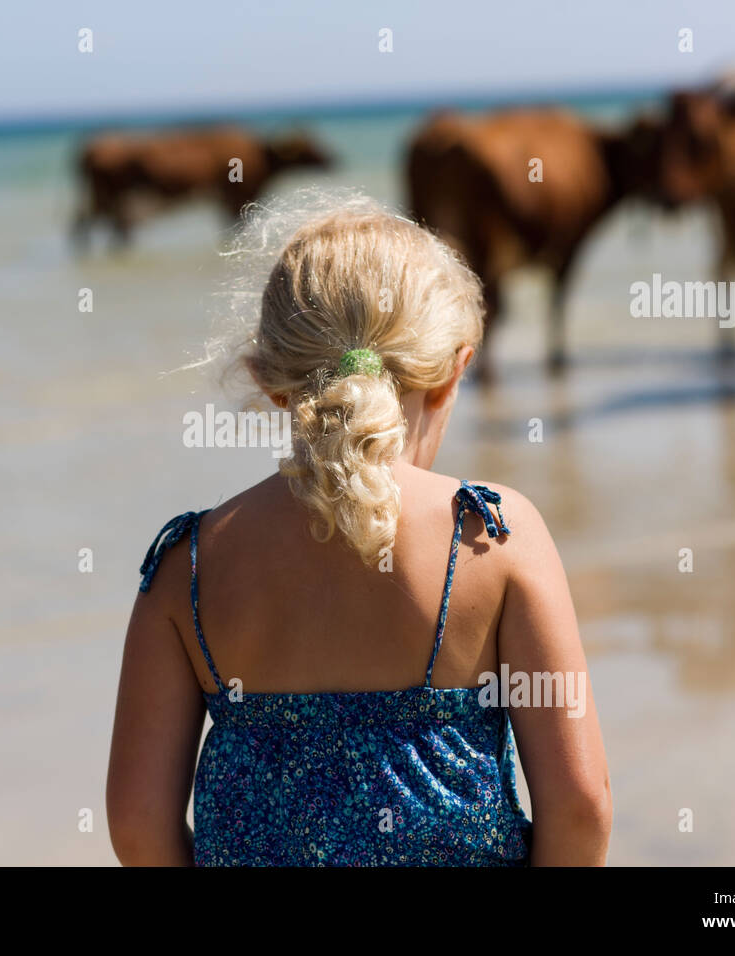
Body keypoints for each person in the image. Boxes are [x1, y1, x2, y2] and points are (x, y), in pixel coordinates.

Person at [107, 196, 611, 866]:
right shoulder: (493, 540)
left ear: (270, 382)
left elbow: (138, 823)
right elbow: (580, 806)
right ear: (453, 371)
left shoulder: (188, 568)